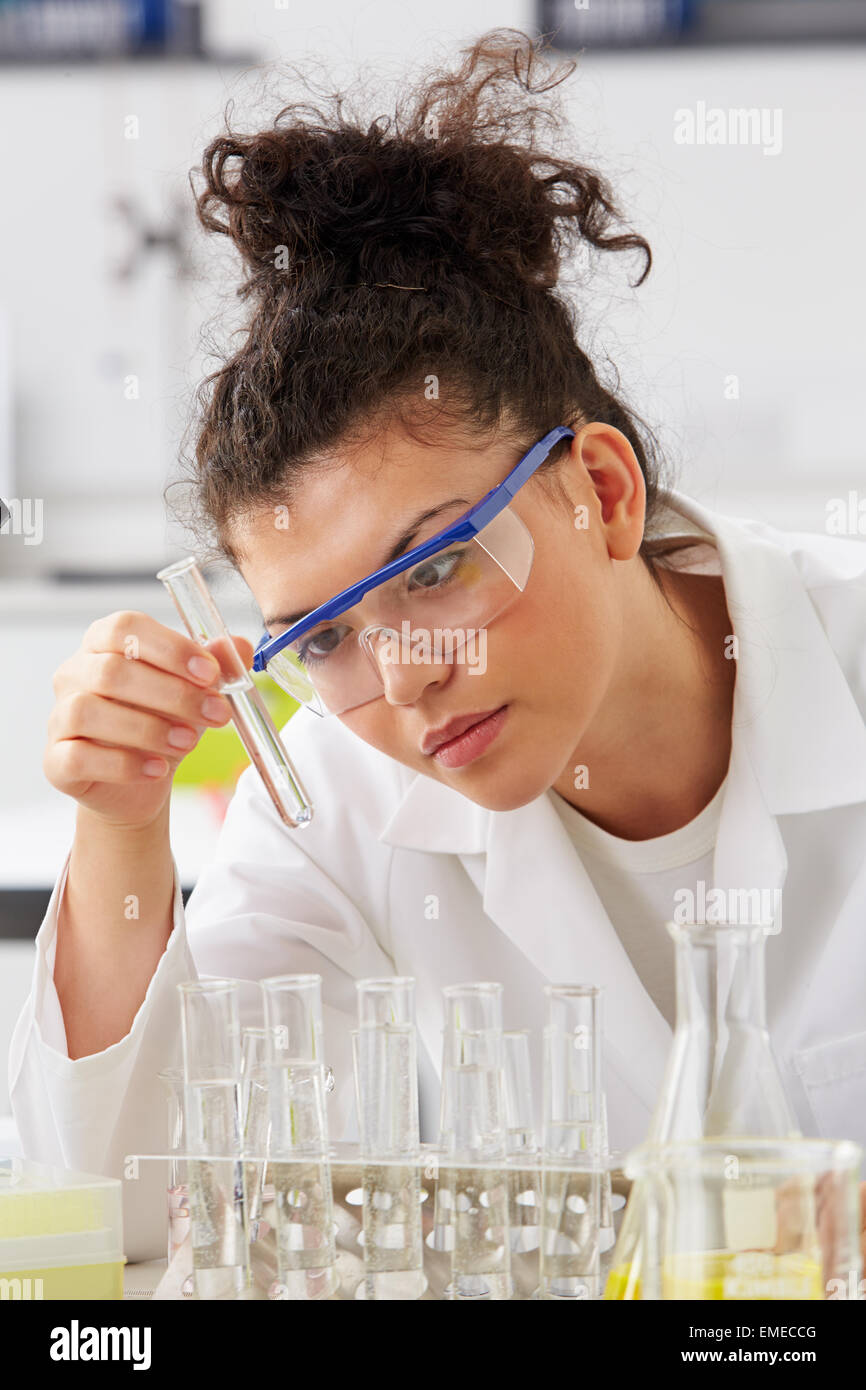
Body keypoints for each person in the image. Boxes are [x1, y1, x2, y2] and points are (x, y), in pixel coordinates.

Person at [9, 29, 866, 1269]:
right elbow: (128, 1213)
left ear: (604, 494)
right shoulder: (345, 792)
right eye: (327, 633)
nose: (401, 675)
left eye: (434, 565)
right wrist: (121, 822)